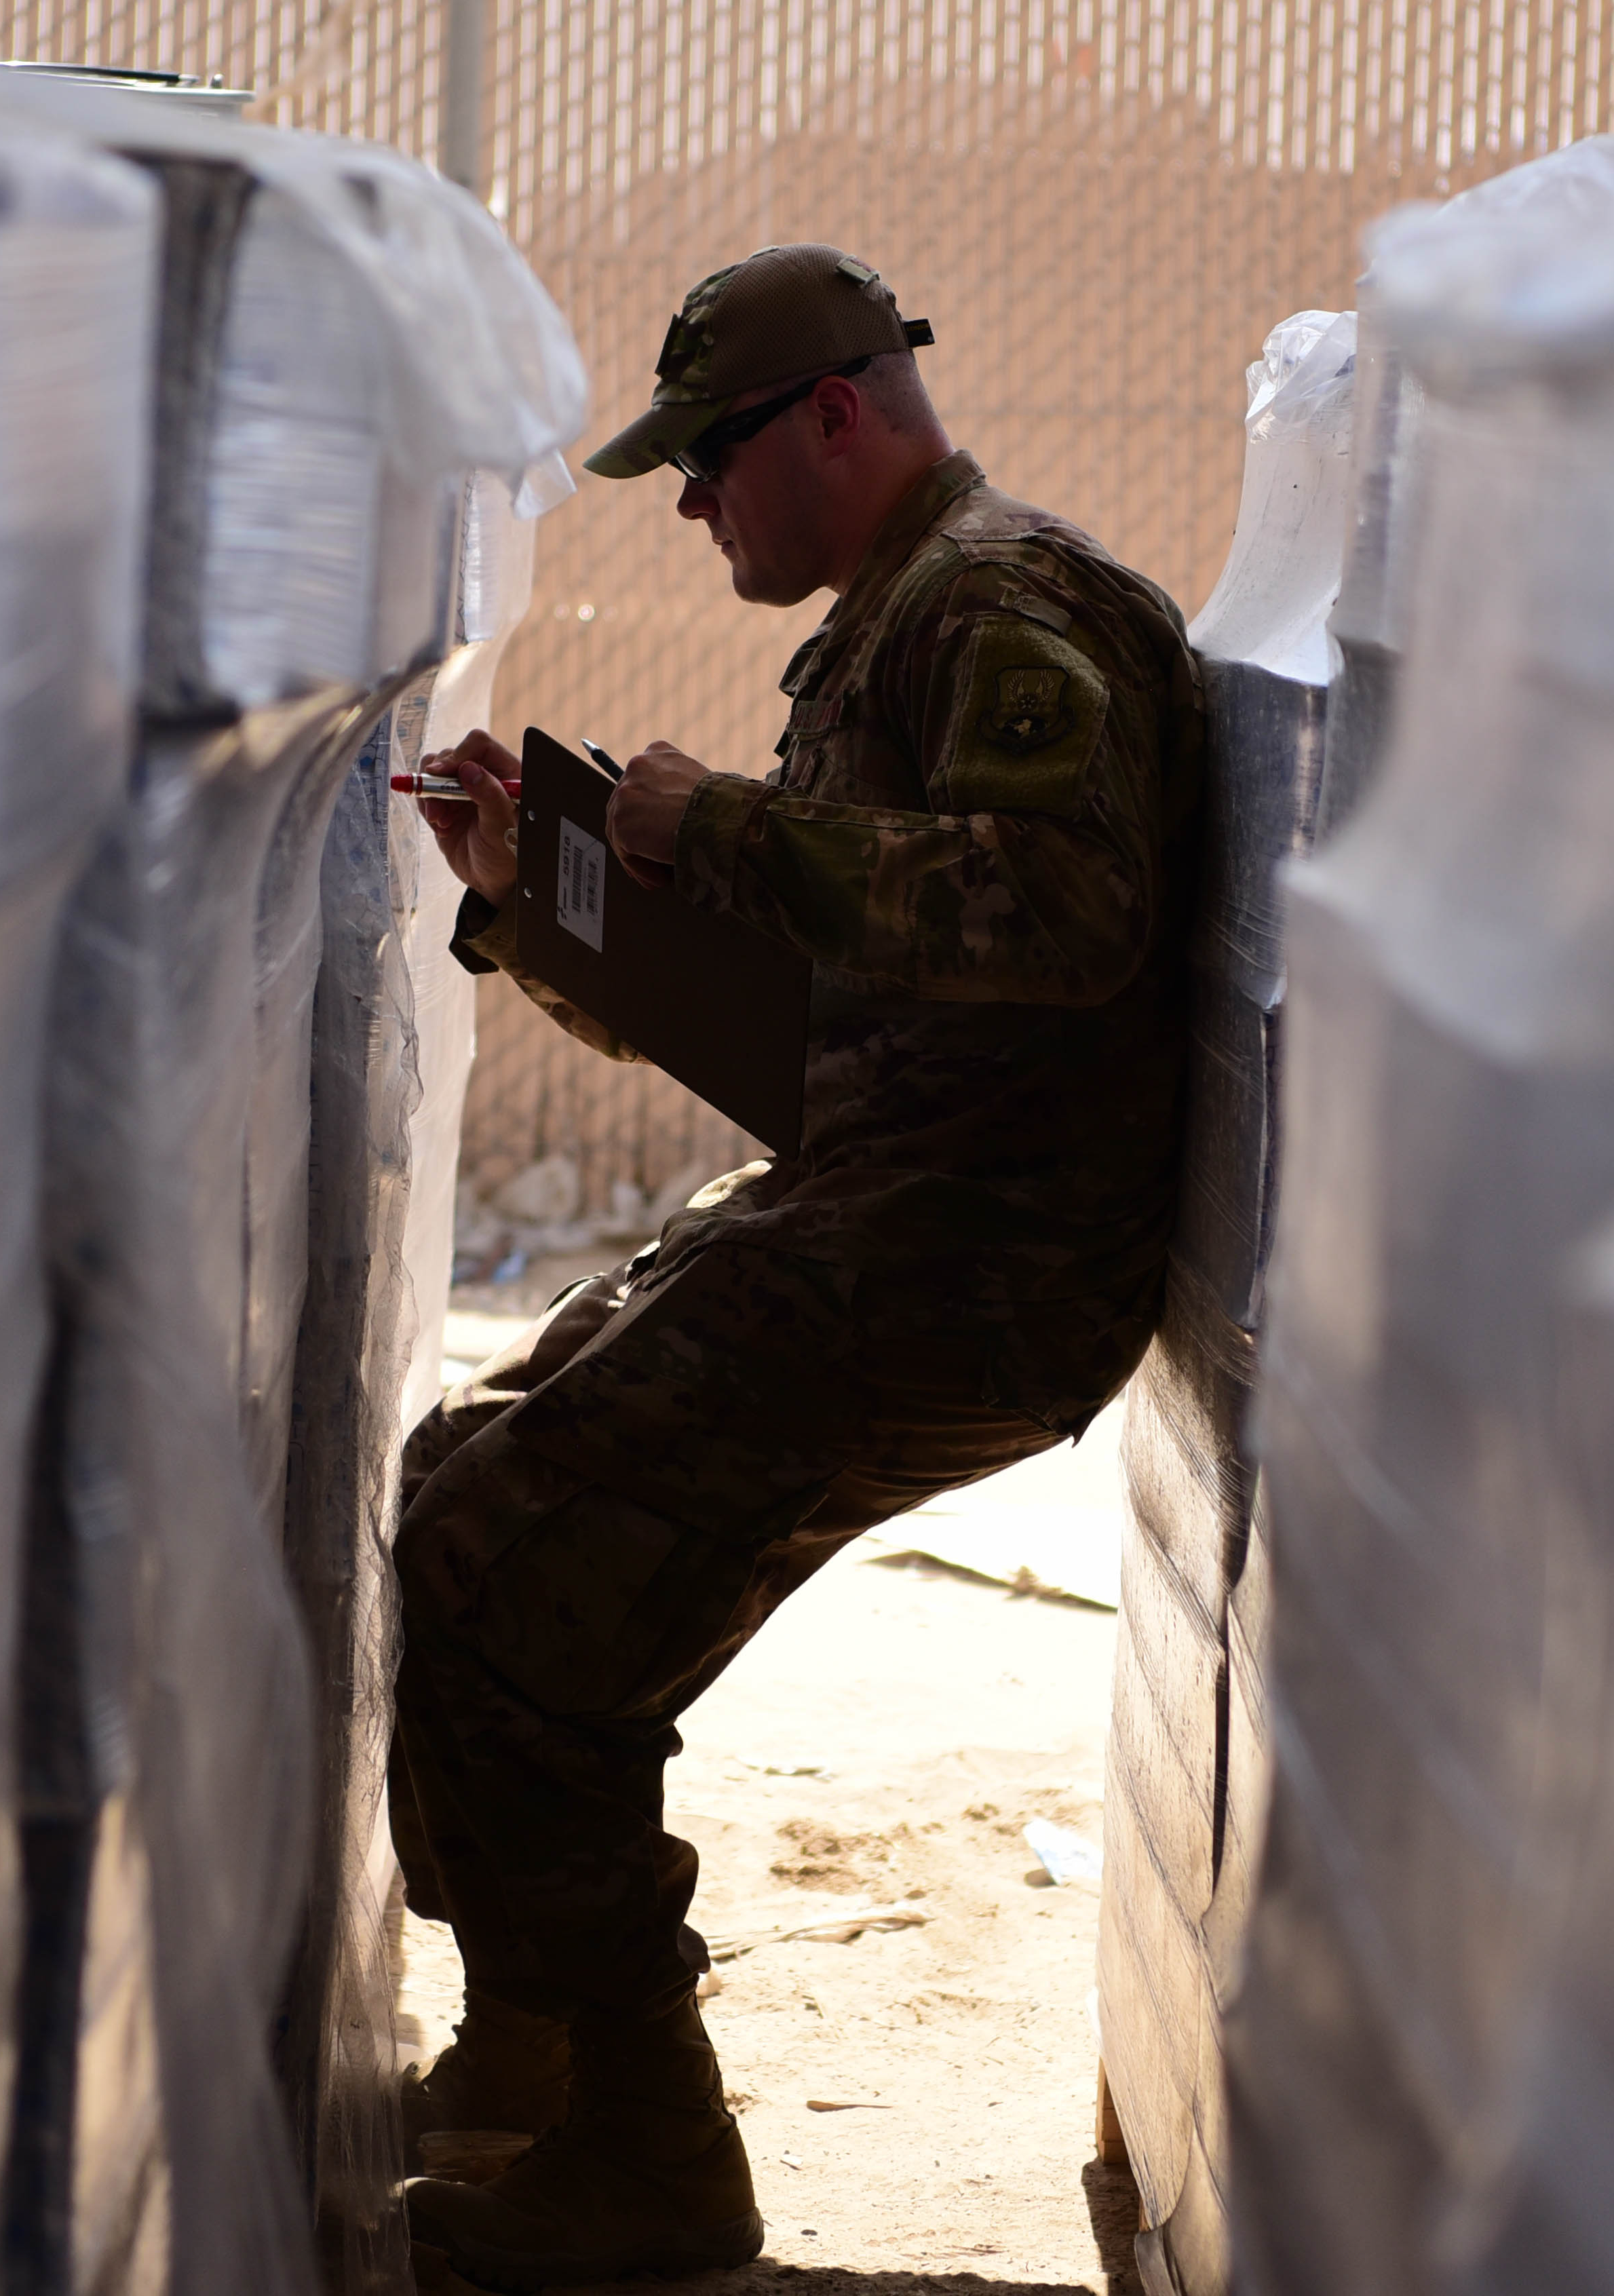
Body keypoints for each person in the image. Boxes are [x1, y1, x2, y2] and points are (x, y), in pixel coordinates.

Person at [382, 244, 1208, 2288]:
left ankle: (648, 2166)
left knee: (509, 1549)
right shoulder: (895, 625)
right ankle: (548, 2053)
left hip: (971, 1259)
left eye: (709, 462)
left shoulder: (1006, 604)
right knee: (468, 1487)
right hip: (881, 1212)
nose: (691, 507)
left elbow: (1064, 911)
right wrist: (542, 899)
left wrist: (723, 833)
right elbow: (802, 1012)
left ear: (836, 415)